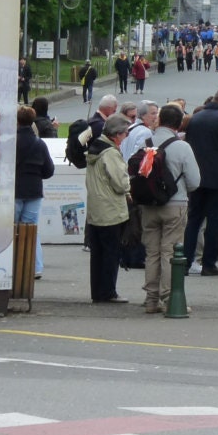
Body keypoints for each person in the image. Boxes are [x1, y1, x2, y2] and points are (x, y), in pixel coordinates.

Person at [139, 104, 200, 314]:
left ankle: (150, 298)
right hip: (175, 203)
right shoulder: (182, 147)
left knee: (152, 252)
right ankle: (168, 296)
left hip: (148, 203)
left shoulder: (145, 142)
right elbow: (194, 181)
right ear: (179, 123)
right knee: (169, 252)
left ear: (159, 119)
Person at [182, 89, 218, 275]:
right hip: (216, 177)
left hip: (196, 176)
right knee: (214, 221)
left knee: (193, 220)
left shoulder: (195, 118)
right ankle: (209, 263)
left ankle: (186, 260)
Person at [85, 114, 133, 302]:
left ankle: (98, 291)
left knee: (98, 253)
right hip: (110, 208)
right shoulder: (111, 153)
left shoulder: (95, 148)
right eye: (125, 133)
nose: (126, 137)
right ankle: (108, 291)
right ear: (116, 135)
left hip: (96, 207)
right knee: (111, 253)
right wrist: (129, 184)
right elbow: (120, 183)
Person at [14, 106, 54, 279]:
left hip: (15, 189)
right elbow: (49, 170)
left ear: (17, 120)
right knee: (31, 229)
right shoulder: (39, 143)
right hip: (34, 190)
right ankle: (35, 266)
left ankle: (14, 265)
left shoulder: (11, 142)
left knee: (13, 229)